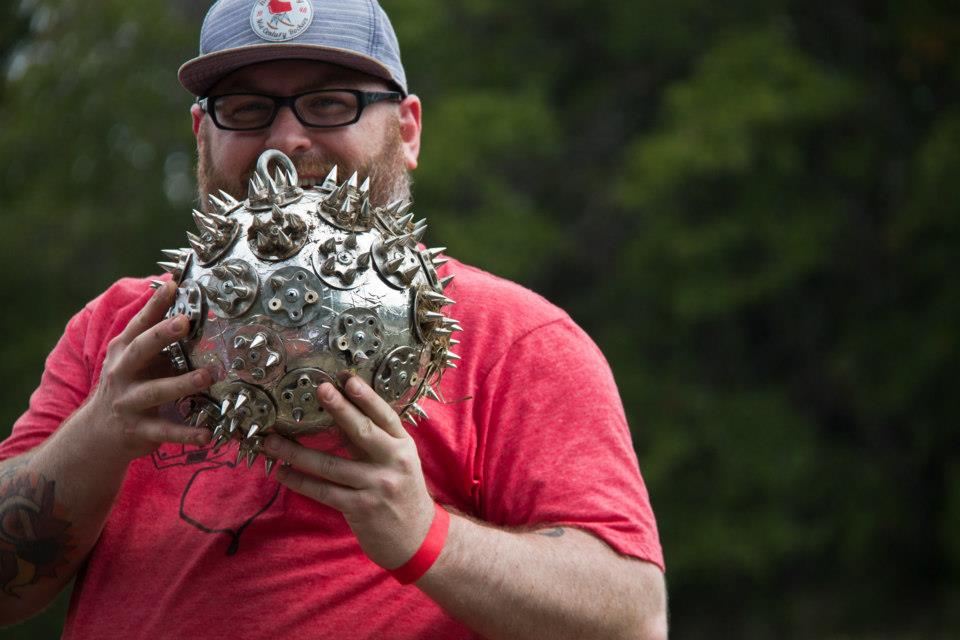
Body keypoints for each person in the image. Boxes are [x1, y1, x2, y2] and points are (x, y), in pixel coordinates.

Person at [0, 0, 667, 637]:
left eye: (329, 104)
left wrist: (425, 535)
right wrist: (99, 434)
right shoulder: (120, 329)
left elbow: (631, 619)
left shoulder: (518, 341)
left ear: (407, 132)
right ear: (202, 136)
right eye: (247, 109)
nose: (286, 140)